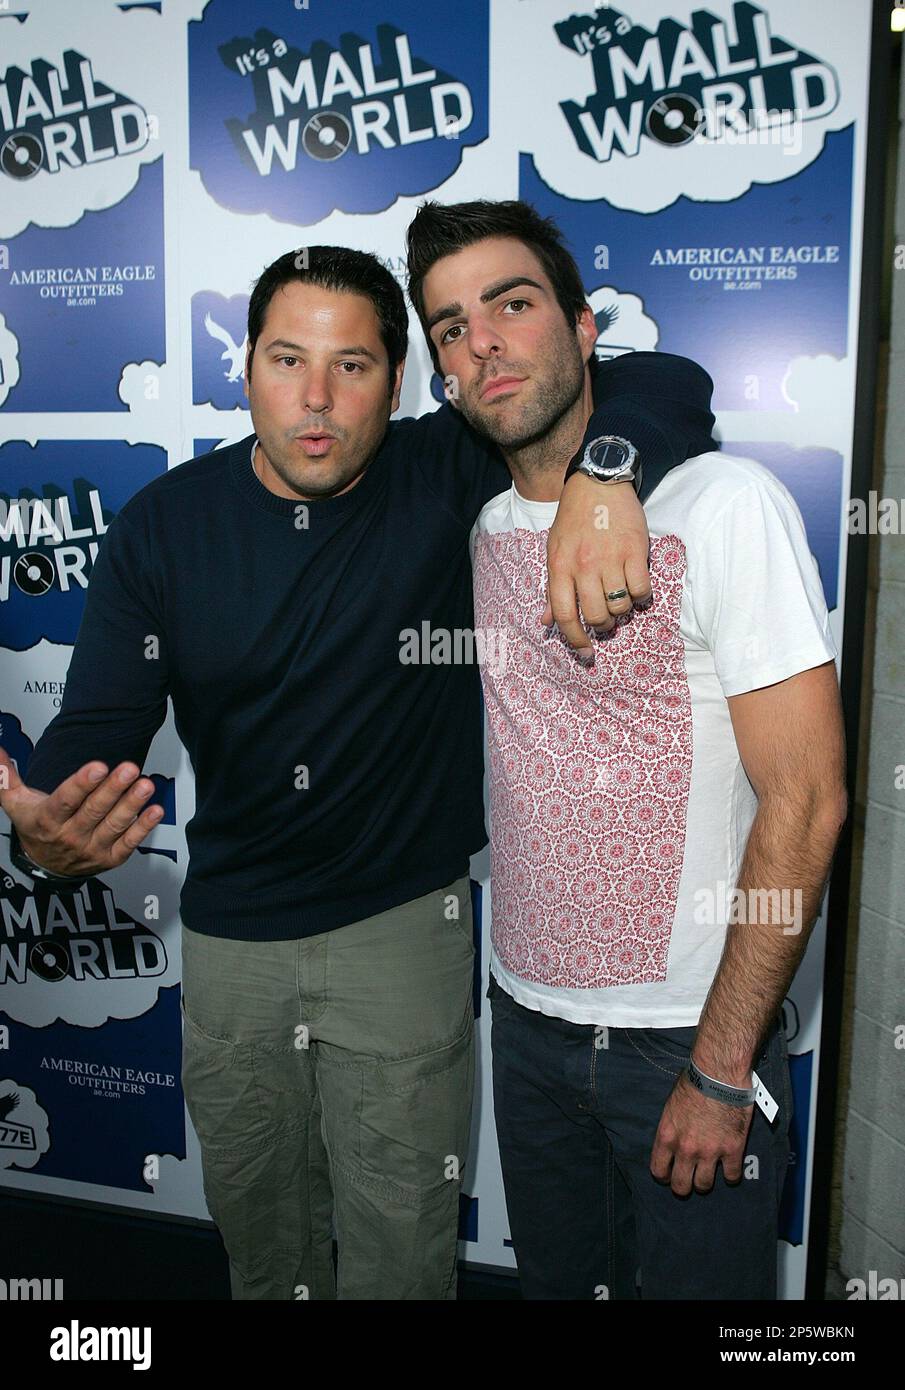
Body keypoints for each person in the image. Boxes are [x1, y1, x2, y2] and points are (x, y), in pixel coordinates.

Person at [0, 242, 716, 1301]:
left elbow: (666, 381)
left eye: (354, 366)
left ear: (401, 382)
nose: (317, 399)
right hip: (234, 943)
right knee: (264, 1249)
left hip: (400, 934)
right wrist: (43, 829)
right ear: (244, 367)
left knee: (400, 1257)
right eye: (287, 361)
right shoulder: (163, 523)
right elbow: (92, 736)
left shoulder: (441, 468)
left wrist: (603, 473)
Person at [406, 198, 849, 1300]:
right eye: (451, 328)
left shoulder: (724, 504)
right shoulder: (464, 513)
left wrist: (719, 1064)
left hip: (685, 1048)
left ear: (584, 324)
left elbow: (806, 802)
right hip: (525, 1027)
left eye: (510, 305)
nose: (484, 343)